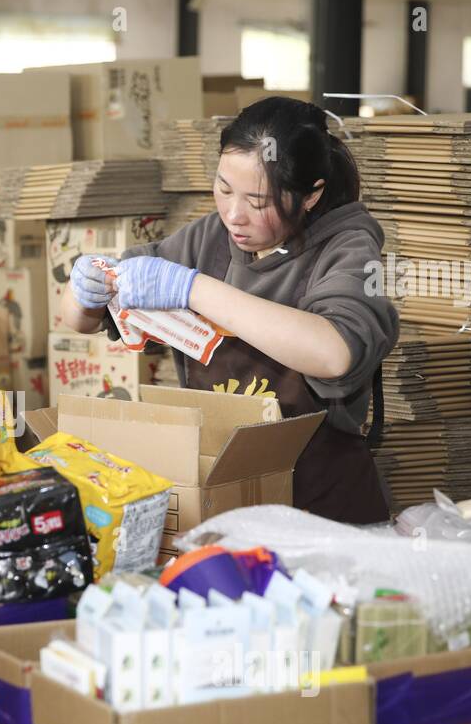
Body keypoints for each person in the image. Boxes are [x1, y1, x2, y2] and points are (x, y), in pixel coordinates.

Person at [62, 97, 400, 524]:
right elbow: (82, 322)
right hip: (227, 493)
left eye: (258, 202)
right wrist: (84, 290)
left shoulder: (347, 248)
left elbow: (334, 353)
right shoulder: (209, 238)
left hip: (321, 509)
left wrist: (191, 288)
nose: (234, 215)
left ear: (311, 195)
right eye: (223, 189)